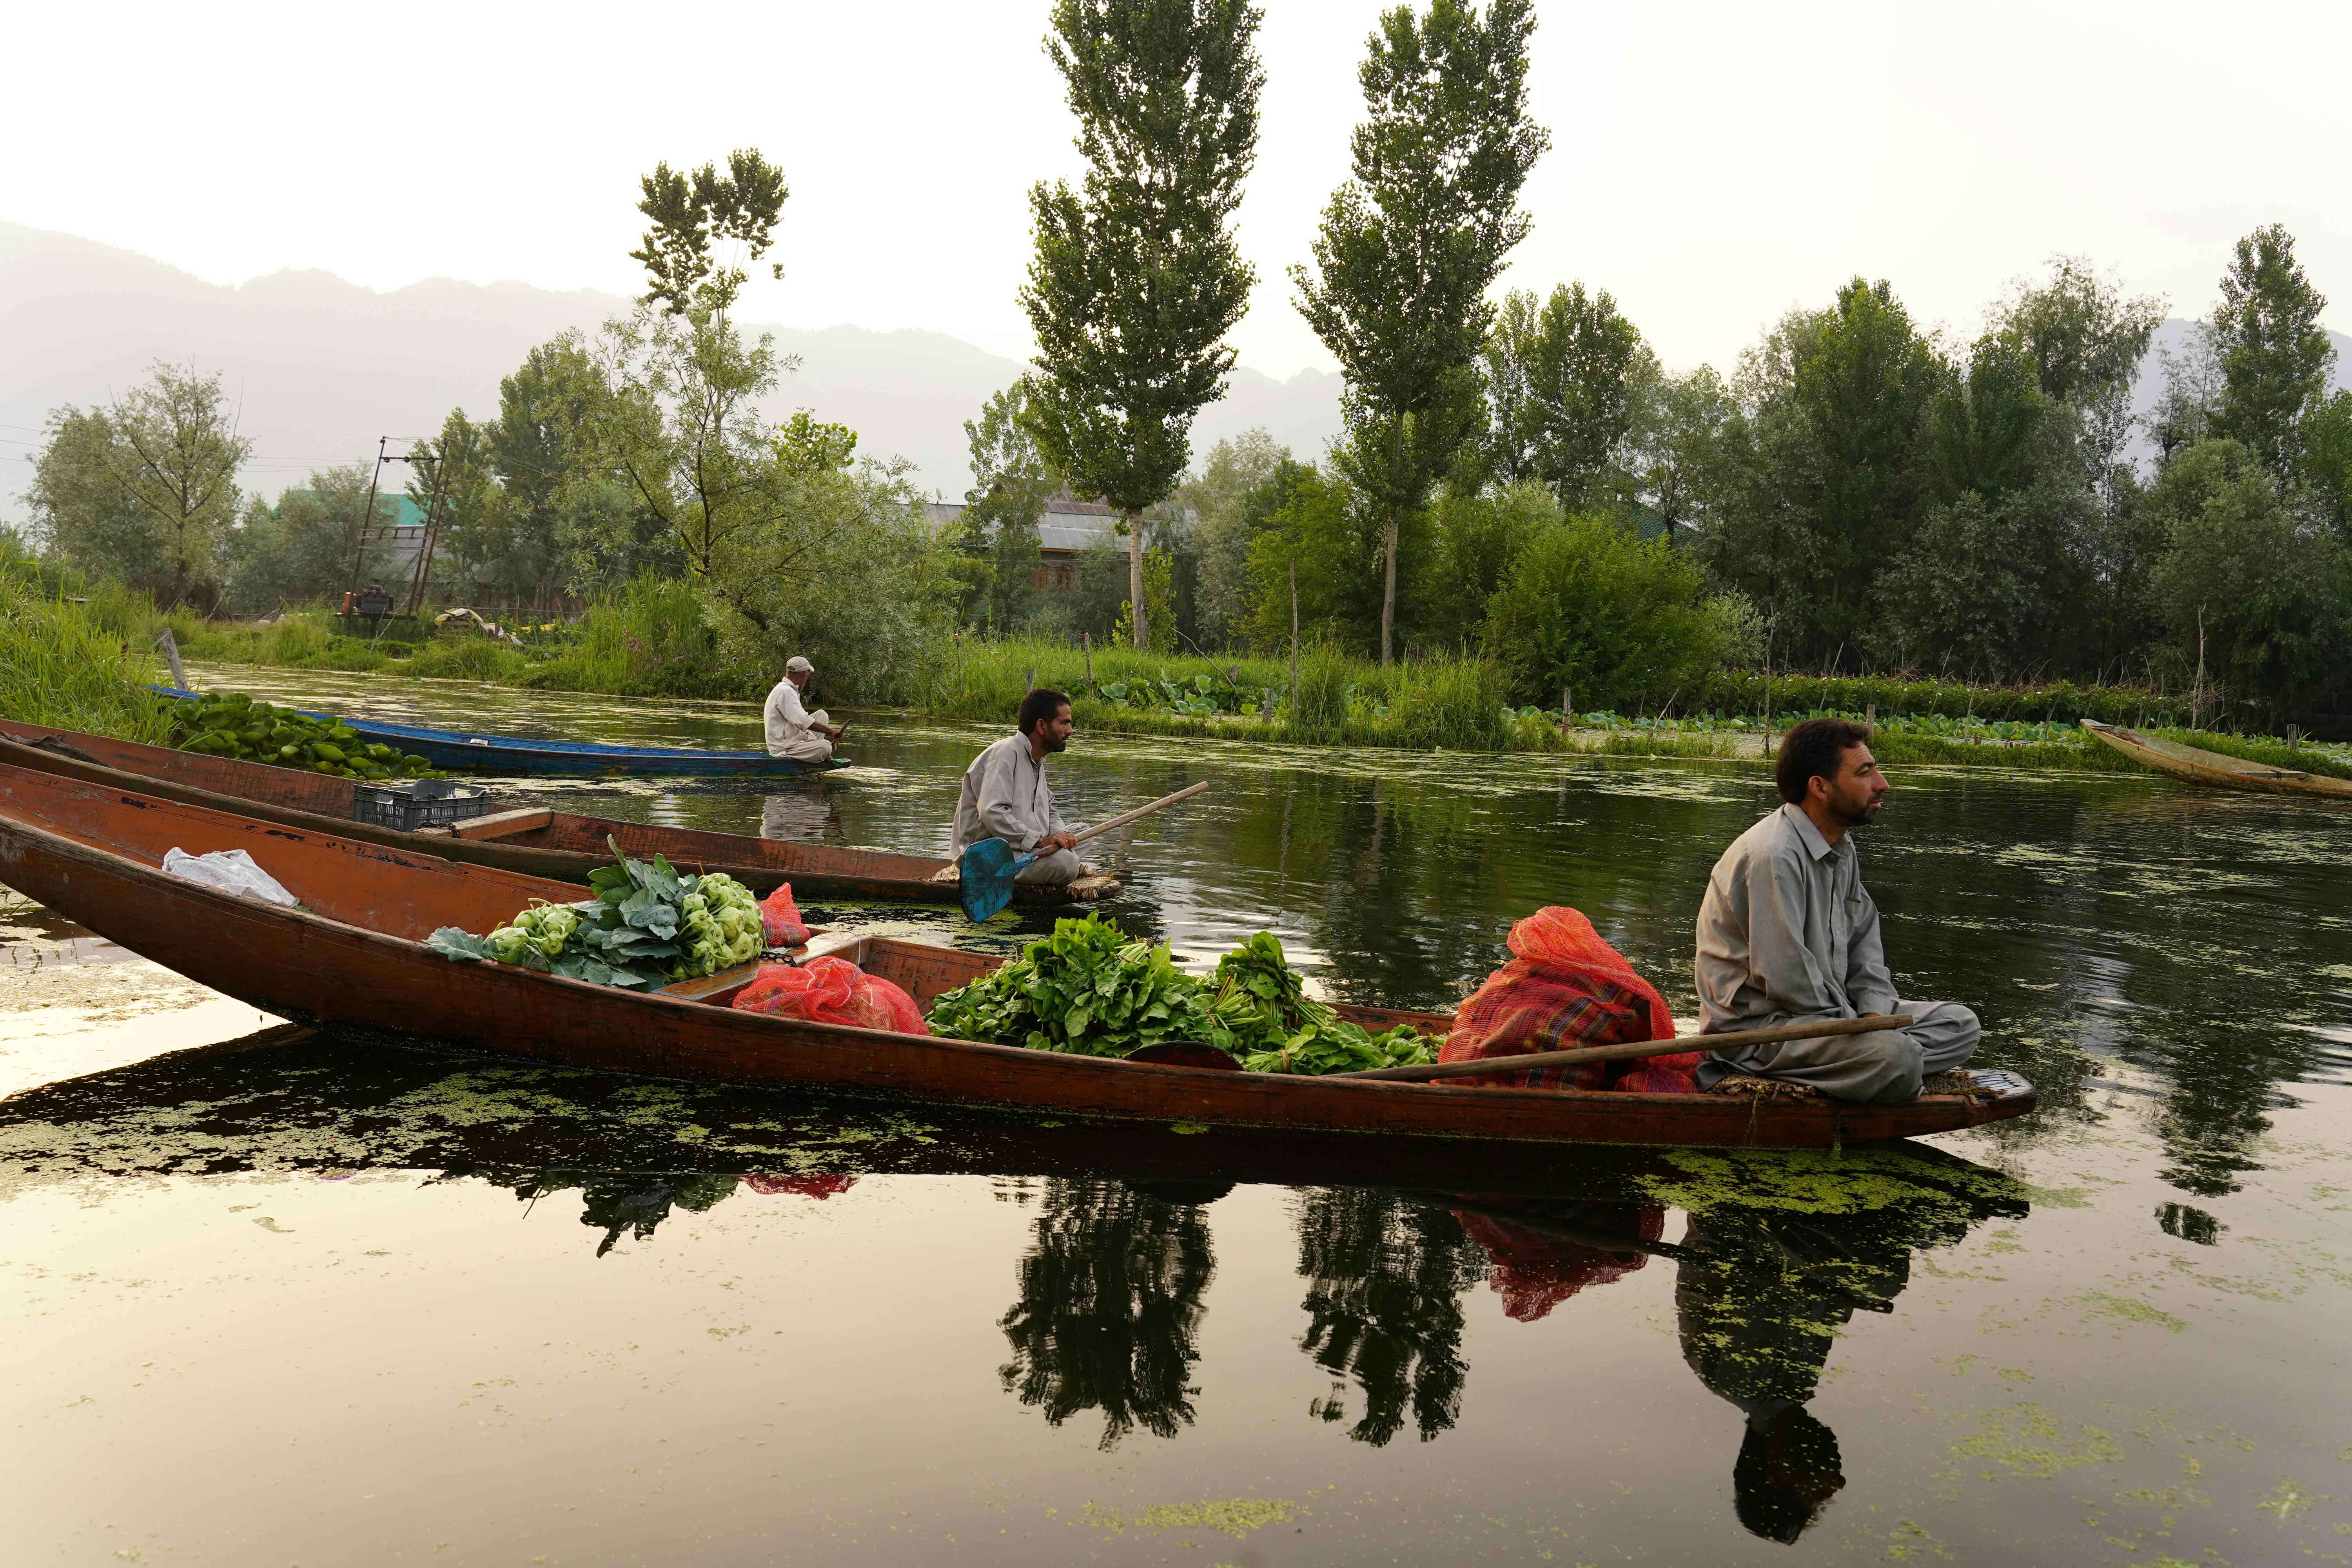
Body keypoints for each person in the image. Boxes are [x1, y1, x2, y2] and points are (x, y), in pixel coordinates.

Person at [1691, 716, 1979, 1102]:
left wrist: (1874, 1014)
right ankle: (1877, 1070)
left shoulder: (1840, 848)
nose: (1882, 784)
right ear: (1820, 787)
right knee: (1898, 1056)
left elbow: (1864, 944)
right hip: (1765, 1033)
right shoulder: (1773, 855)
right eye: (1865, 772)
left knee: (1960, 1024)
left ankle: (1867, 1068)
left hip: (1832, 1021)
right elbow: (1789, 980)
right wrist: (1865, 1033)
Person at [950, 687, 1088, 887]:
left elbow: (1050, 810)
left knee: (1083, 834)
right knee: (1066, 864)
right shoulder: (1006, 754)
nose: (1070, 731)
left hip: (1027, 848)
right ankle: (998, 874)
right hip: (989, 856)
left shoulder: (1037, 761)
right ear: (1042, 726)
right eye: (1065, 723)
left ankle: (1053, 858)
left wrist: (1060, 838)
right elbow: (992, 812)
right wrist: (1041, 842)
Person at [762, 656, 840, 762]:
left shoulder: (787, 689)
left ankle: (812, 750)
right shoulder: (786, 692)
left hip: (793, 740)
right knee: (826, 747)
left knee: (822, 715)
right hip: (784, 747)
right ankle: (814, 753)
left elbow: (800, 720)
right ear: (805, 674)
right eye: (808, 675)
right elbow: (803, 721)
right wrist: (831, 732)